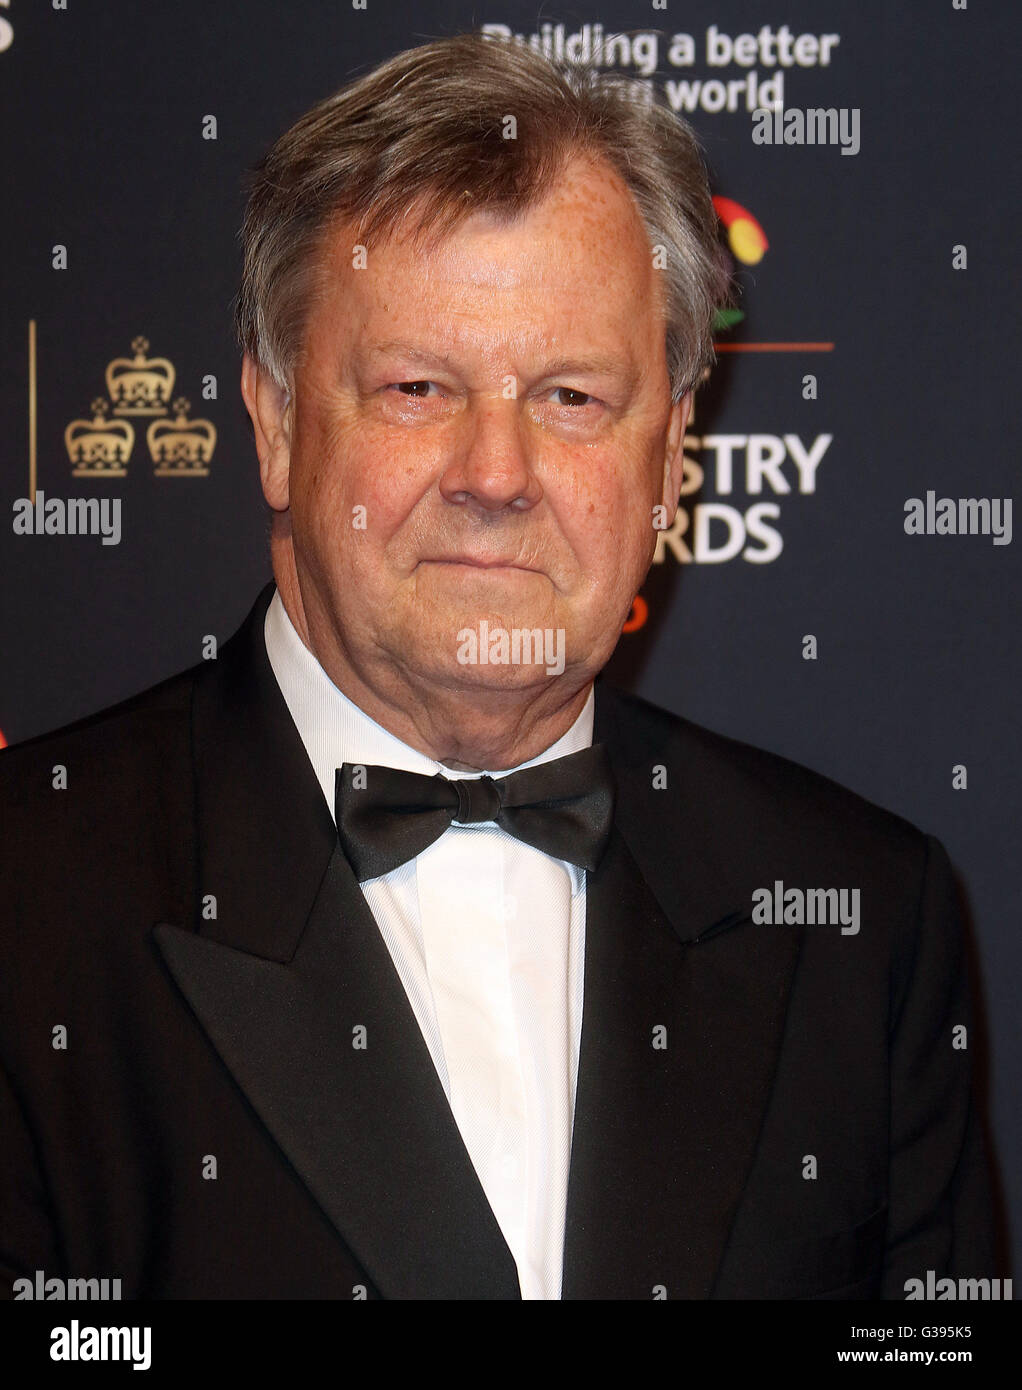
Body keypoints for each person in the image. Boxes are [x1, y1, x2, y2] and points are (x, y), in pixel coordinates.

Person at [0, 31, 995, 1300]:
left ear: (669, 450)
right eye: (417, 385)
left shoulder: (860, 917)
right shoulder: (27, 898)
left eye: (572, 396)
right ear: (273, 421)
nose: (494, 472)